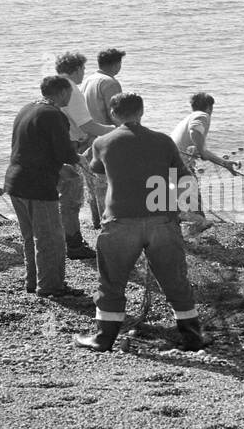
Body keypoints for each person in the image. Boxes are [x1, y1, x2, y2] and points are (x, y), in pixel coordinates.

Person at [75, 92, 210, 353]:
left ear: (113, 114)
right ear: (142, 112)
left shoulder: (104, 142)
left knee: (112, 282)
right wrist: (192, 211)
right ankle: (193, 338)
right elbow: (184, 177)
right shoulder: (163, 141)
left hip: (120, 221)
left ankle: (103, 339)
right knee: (175, 280)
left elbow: (95, 168)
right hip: (162, 219)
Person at [3, 77, 90, 299]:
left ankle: (33, 282)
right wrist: (78, 158)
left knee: (31, 236)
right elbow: (63, 152)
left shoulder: (27, 109)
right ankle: (51, 286)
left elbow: (34, 149)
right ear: (61, 93)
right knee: (50, 237)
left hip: (16, 181)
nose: (71, 97)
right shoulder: (53, 115)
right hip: (38, 186)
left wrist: (60, 168)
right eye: (69, 92)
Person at [54, 51, 111, 259]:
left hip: (59, 145)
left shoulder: (55, 86)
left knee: (63, 194)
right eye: (83, 69)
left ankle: (65, 239)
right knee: (71, 196)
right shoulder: (71, 89)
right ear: (77, 69)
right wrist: (116, 129)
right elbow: (87, 124)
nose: (83, 73)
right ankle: (74, 244)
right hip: (69, 146)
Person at [170, 92, 240, 236]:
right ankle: (192, 233)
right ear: (209, 107)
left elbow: (204, 152)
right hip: (180, 165)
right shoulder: (202, 115)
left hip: (171, 163)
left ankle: (190, 236)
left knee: (187, 201)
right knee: (192, 203)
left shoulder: (187, 118)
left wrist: (224, 163)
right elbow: (195, 131)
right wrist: (201, 149)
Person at [81, 48, 125, 217]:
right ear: (116, 64)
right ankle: (110, 220)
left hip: (89, 137)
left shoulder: (88, 80)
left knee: (92, 183)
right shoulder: (110, 83)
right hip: (106, 139)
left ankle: (96, 220)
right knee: (108, 183)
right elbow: (116, 113)